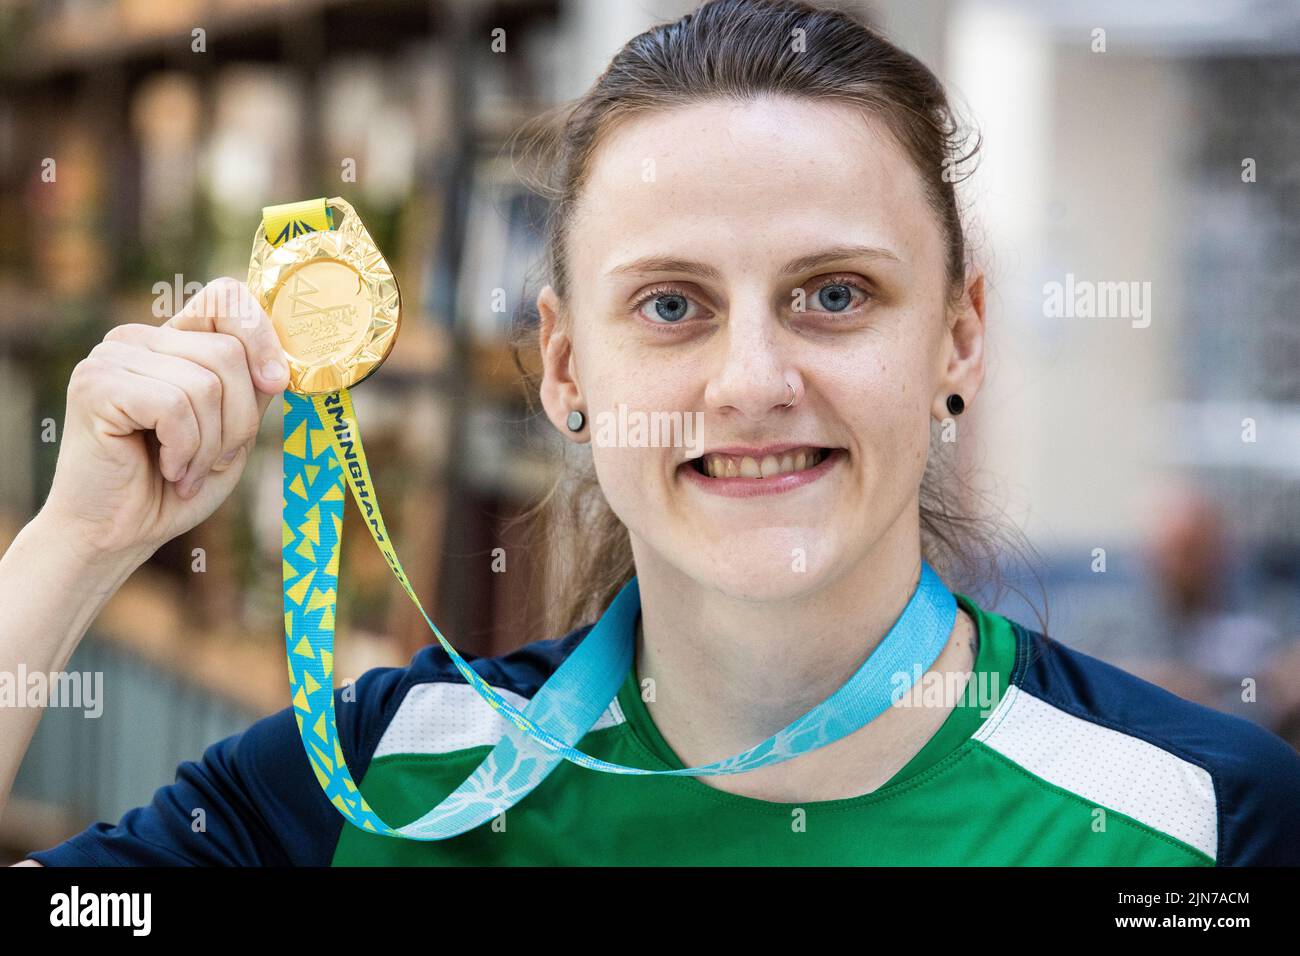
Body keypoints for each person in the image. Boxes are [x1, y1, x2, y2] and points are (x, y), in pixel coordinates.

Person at [5, 0, 1299, 866]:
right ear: (569, 367)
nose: (752, 381)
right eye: (672, 305)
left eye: (833, 295)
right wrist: (73, 544)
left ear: (958, 338)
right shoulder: (387, 778)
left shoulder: (1197, 817)